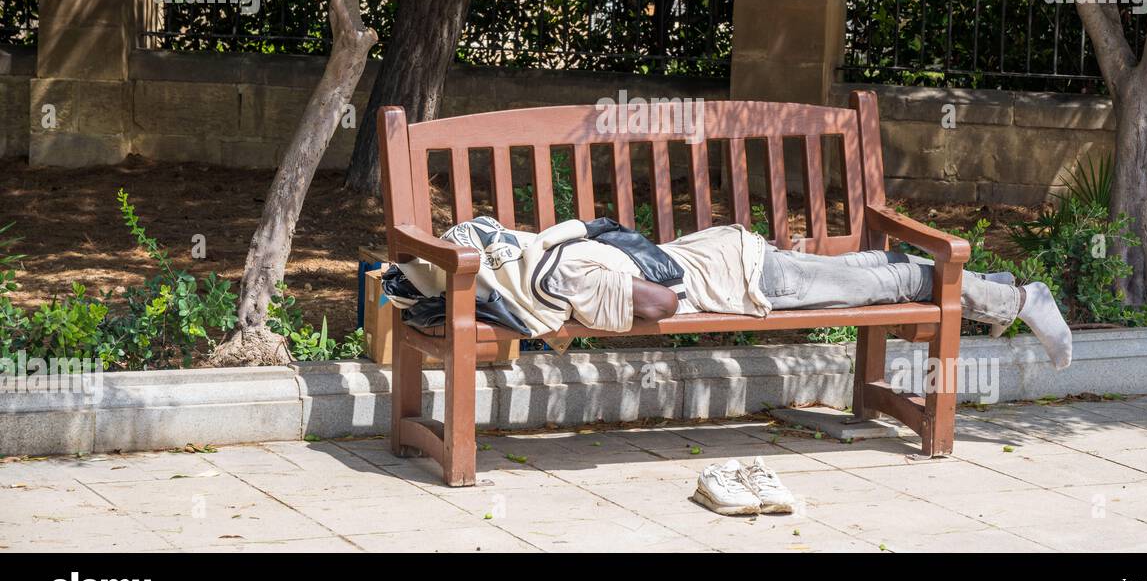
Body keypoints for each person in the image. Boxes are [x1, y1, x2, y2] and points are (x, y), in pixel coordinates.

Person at [389, 216, 1073, 370]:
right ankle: (996, 289)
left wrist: (591, 311)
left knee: (893, 281)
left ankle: (1021, 302)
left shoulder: (564, 279)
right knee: (867, 272)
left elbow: (659, 304)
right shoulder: (545, 246)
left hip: (742, 278)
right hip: (730, 258)